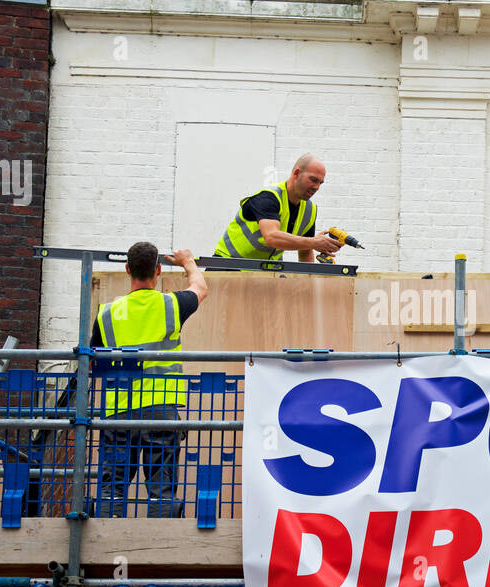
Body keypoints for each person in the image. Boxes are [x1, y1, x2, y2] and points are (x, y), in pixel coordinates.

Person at [90, 243, 208, 518]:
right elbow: (201, 289)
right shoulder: (171, 304)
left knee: (112, 488)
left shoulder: (107, 313)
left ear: (127, 270)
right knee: (161, 488)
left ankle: (106, 548)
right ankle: (159, 553)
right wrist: (188, 262)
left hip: (118, 413)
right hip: (160, 412)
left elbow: (94, 361)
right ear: (158, 270)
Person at [214, 153, 344, 263]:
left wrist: (309, 282)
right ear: (296, 173)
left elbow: (305, 252)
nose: (317, 187)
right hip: (228, 266)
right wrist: (314, 242)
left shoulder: (310, 210)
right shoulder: (268, 198)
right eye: (313, 180)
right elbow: (272, 237)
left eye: (320, 183)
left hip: (262, 273)